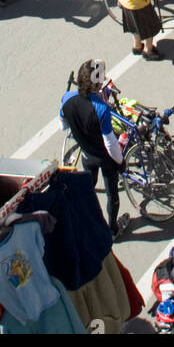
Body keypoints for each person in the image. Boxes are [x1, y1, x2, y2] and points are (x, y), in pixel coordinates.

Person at [59, 61, 124, 233]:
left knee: (90, 186)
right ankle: (113, 227)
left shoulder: (67, 99)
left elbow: (63, 124)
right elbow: (110, 143)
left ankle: (92, 219)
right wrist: (120, 161)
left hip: (87, 154)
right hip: (104, 157)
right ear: (97, 84)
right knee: (112, 194)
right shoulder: (102, 109)